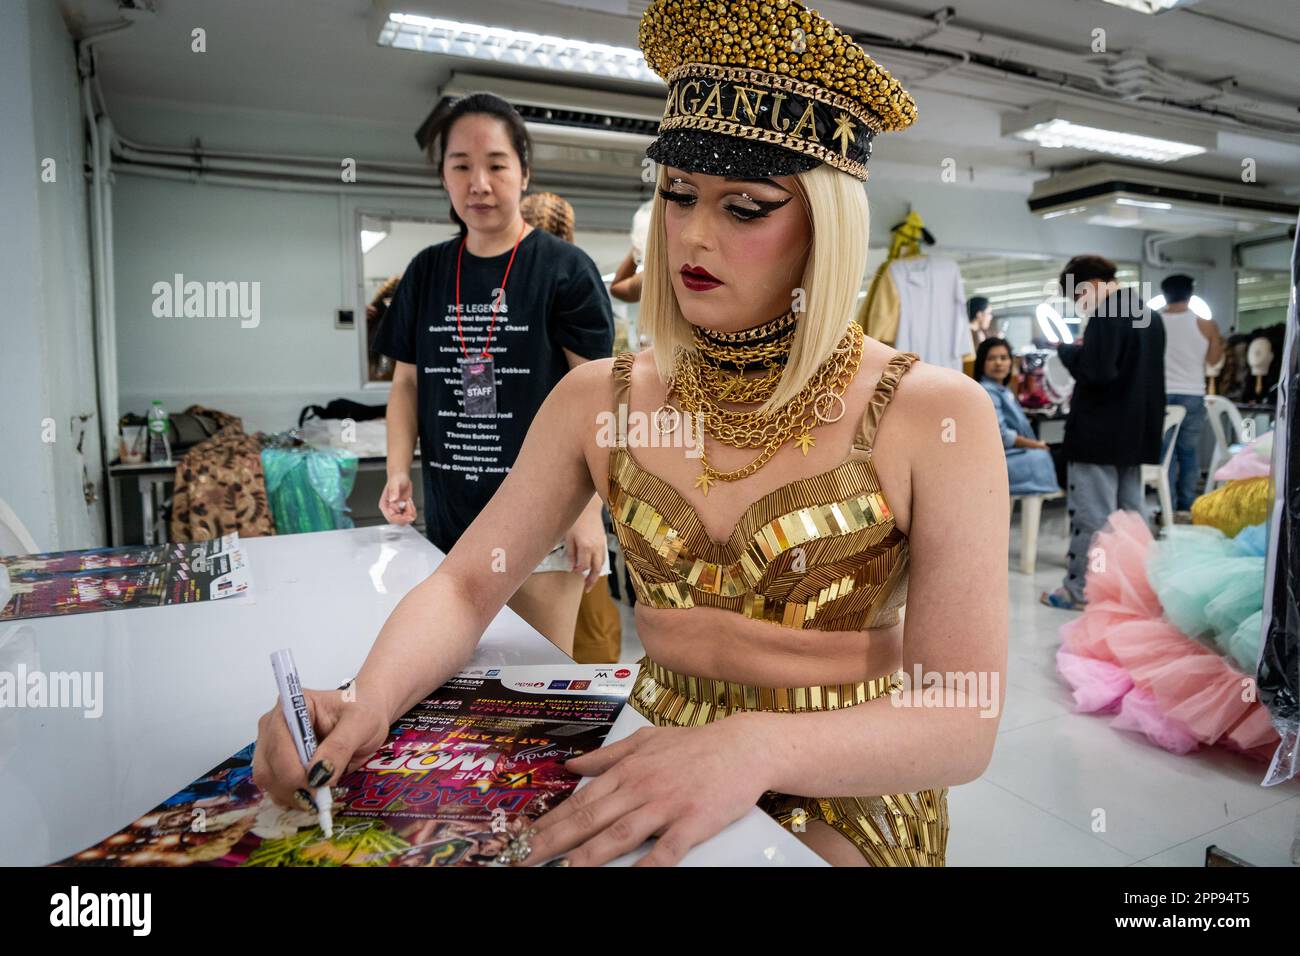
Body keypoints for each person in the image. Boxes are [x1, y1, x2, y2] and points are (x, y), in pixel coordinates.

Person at [253, 0, 1008, 868]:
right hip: (643, 750)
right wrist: (366, 699)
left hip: (851, 779)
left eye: (747, 208)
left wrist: (755, 746)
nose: (692, 234)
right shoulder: (595, 398)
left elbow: (960, 712)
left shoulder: (936, 414)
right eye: (679, 195)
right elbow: (467, 586)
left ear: (826, 227)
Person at [372, 92, 615, 653]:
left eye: (496, 165)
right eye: (460, 166)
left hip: (544, 524)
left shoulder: (564, 270)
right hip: (451, 521)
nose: (478, 183)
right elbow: (405, 384)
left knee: (537, 683)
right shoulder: (426, 271)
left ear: (524, 173)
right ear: (444, 178)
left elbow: (600, 399)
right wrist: (396, 469)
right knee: (460, 681)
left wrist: (587, 511)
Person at [518, 189, 623, 665]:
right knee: (575, 627)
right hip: (539, 485)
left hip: (566, 486)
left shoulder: (569, 282)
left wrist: (588, 515)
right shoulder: (515, 290)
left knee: (569, 637)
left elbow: (598, 406)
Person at [1042, 255, 1165, 610]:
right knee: (1130, 519)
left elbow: (1098, 372)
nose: (1080, 307)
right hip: (1136, 435)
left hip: (1098, 435)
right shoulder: (1149, 316)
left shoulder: (1106, 313)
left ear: (1090, 286)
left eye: (1078, 299)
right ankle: (1131, 589)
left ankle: (1079, 591)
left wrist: (1067, 352)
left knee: (1092, 519)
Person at [1160, 274, 1224, 514]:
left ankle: (1166, 507)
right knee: (1188, 453)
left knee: (1164, 455)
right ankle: (1186, 507)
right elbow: (1213, 360)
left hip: (1162, 395)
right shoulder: (1206, 324)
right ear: (1191, 293)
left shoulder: (1154, 322)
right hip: (1193, 395)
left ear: (1164, 294)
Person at [974, 337, 1059, 495]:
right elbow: (1002, 436)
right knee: (1039, 458)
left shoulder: (1003, 391)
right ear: (981, 363)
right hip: (997, 459)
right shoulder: (988, 392)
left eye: (1004, 358)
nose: (999, 363)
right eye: (991, 358)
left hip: (1006, 454)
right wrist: (1036, 444)